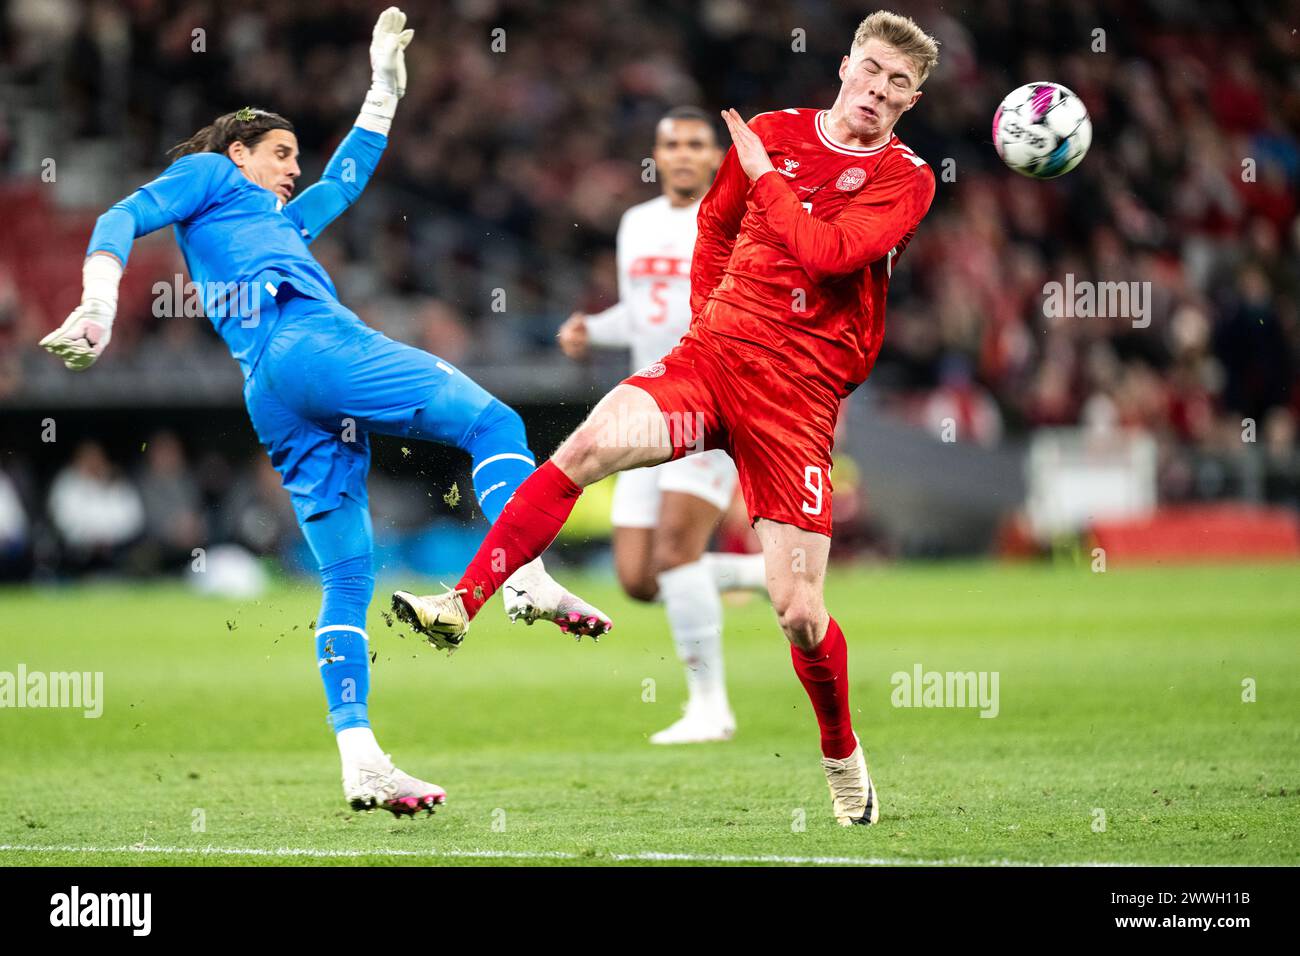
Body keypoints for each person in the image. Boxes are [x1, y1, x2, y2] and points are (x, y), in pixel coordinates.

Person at [39, 8, 608, 818]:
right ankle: (522, 574)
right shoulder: (213, 179)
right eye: (280, 154)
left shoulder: (276, 223)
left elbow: (344, 180)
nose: (291, 169)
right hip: (310, 343)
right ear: (238, 153)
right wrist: (98, 305)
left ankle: (362, 758)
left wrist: (382, 92)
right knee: (497, 426)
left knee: (346, 577)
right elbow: (119, 215)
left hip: (272, 389)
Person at [393, 10, 939, 826]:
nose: (877, 90)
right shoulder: (776, 131)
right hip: (714, 359)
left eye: (898, 83)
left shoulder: (907, 178)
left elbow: (828, 255)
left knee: (797, 609)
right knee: (582, 449)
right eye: (870, 69)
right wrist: (704, 320)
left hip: (798, 397)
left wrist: (767, 175)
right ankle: (462, 603)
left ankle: (841, 756)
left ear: (912, 99)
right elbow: (716, 226)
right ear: (845, 65)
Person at [556, 106, 767, 745]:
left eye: (694, 144)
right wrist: (594, 328)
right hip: (645, 410)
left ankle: (710, 706)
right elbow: (642, 311)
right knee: (641, 579)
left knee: (677, 554)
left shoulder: (735, 224)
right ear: (657, 152)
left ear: (715, 157)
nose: (680, 153)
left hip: (707, 404)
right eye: (669, 143)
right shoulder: (636, 224)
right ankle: (760, 575)